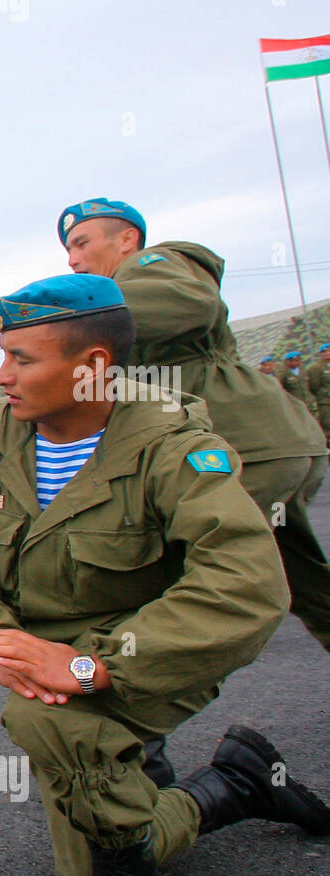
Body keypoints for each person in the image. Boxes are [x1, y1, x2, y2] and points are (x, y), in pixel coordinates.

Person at [0, 273, 330, 876]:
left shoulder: (172, 443)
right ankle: (234, 783)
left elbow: (247, 584)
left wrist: (90, 669)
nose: (1, 375)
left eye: (23, 358)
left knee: (53, 725)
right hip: (36, 645)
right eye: (2, 354)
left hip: (148, 647)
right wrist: (0, 642)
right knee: (80, 863)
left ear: (94, 366)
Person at [58, 198, 330, 666]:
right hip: (268, 444)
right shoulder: (126, 291)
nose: (73, 259)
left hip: (237, 446)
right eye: (68, 250)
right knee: (301, 579)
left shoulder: (151, 265)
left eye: (82, 242)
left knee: (158, 581)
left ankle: (120, 717)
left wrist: (68, 320)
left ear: (127, 239)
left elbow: (187, 306)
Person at [279, 351, 319, 418]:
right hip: (295, 405)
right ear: (287, 362)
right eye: (291, 361)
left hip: (308, 404)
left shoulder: (303, 371)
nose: (294, 363)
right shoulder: (284, 373)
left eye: (296, 360)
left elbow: (312, 385)